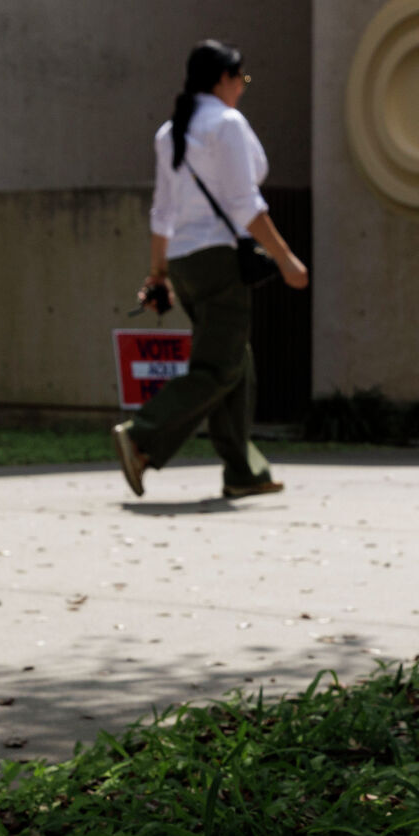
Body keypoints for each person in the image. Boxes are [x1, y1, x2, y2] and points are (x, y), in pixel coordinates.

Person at [114, 40, 308, 499]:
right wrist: (285, 258)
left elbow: (162, 210)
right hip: (219, 261)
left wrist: (158, 272)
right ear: (223, 78)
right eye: (240, 78)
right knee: (218, 367)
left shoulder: (170, 132)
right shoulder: (226, 124)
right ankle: (141, 436)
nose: (242, 87)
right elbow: (246, 205)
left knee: (235, 360)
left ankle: (243, 470)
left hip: (183, 262)